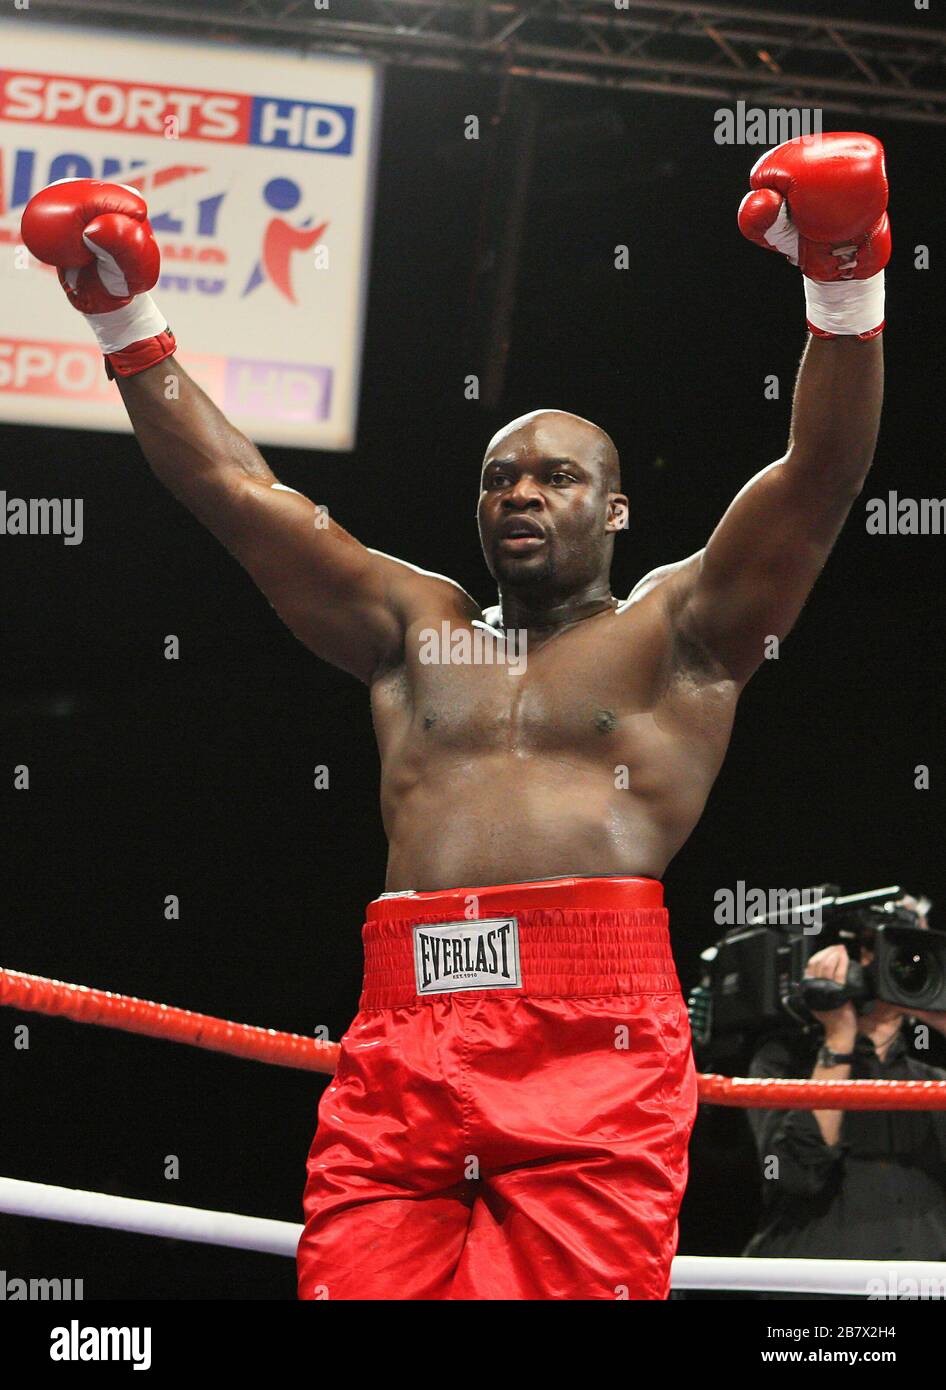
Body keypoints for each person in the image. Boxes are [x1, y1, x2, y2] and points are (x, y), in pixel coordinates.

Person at [21, 132, 890, 1300]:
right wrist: (125, 322)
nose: (519, 492)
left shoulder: (679, 633)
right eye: (497, 476)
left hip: (594, 1030)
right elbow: (240, 496)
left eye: (555, 476)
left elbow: (816, 478)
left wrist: (840, 277)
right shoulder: (410, 629)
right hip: (404, 1024)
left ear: (618, 506)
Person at [744, 898, 946, 1294]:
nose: (905, 964)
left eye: (918, 955)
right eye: (890, 948)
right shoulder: (781, 1062)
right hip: (814, 1300)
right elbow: (794, 1174)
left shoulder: (935, 1082)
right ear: (845, 957)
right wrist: (838, 1037)